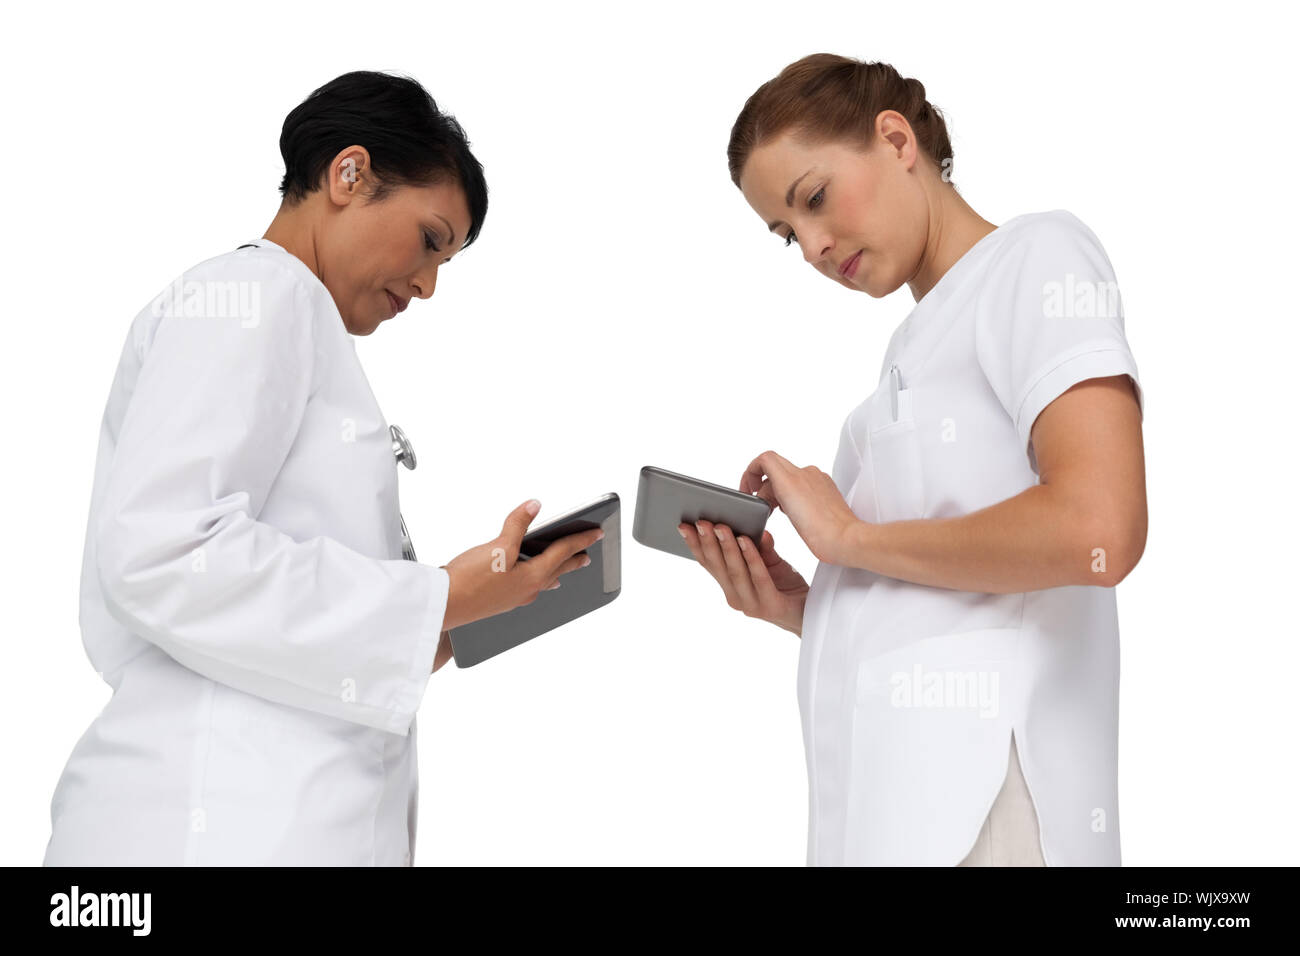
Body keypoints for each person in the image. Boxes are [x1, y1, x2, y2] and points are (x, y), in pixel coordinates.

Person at [42, 70, 600, 866]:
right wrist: (440, 594)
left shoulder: (291, 321)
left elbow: (296, 626)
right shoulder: (252, 293)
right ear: (349, 175)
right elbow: (161, 552)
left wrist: (458, 614)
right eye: (431, 239)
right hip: (207, 820)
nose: (429, 285)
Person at [678, 55, 1146, 866]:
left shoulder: (1038, 258)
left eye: (815, 199)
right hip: (896, 817)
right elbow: (963, 597)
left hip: (993, 803)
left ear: (895, 139)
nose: (815, 247)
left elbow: (1100, 528)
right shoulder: (909, 354)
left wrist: (850, 540)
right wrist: (814, 607)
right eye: (788, 235)